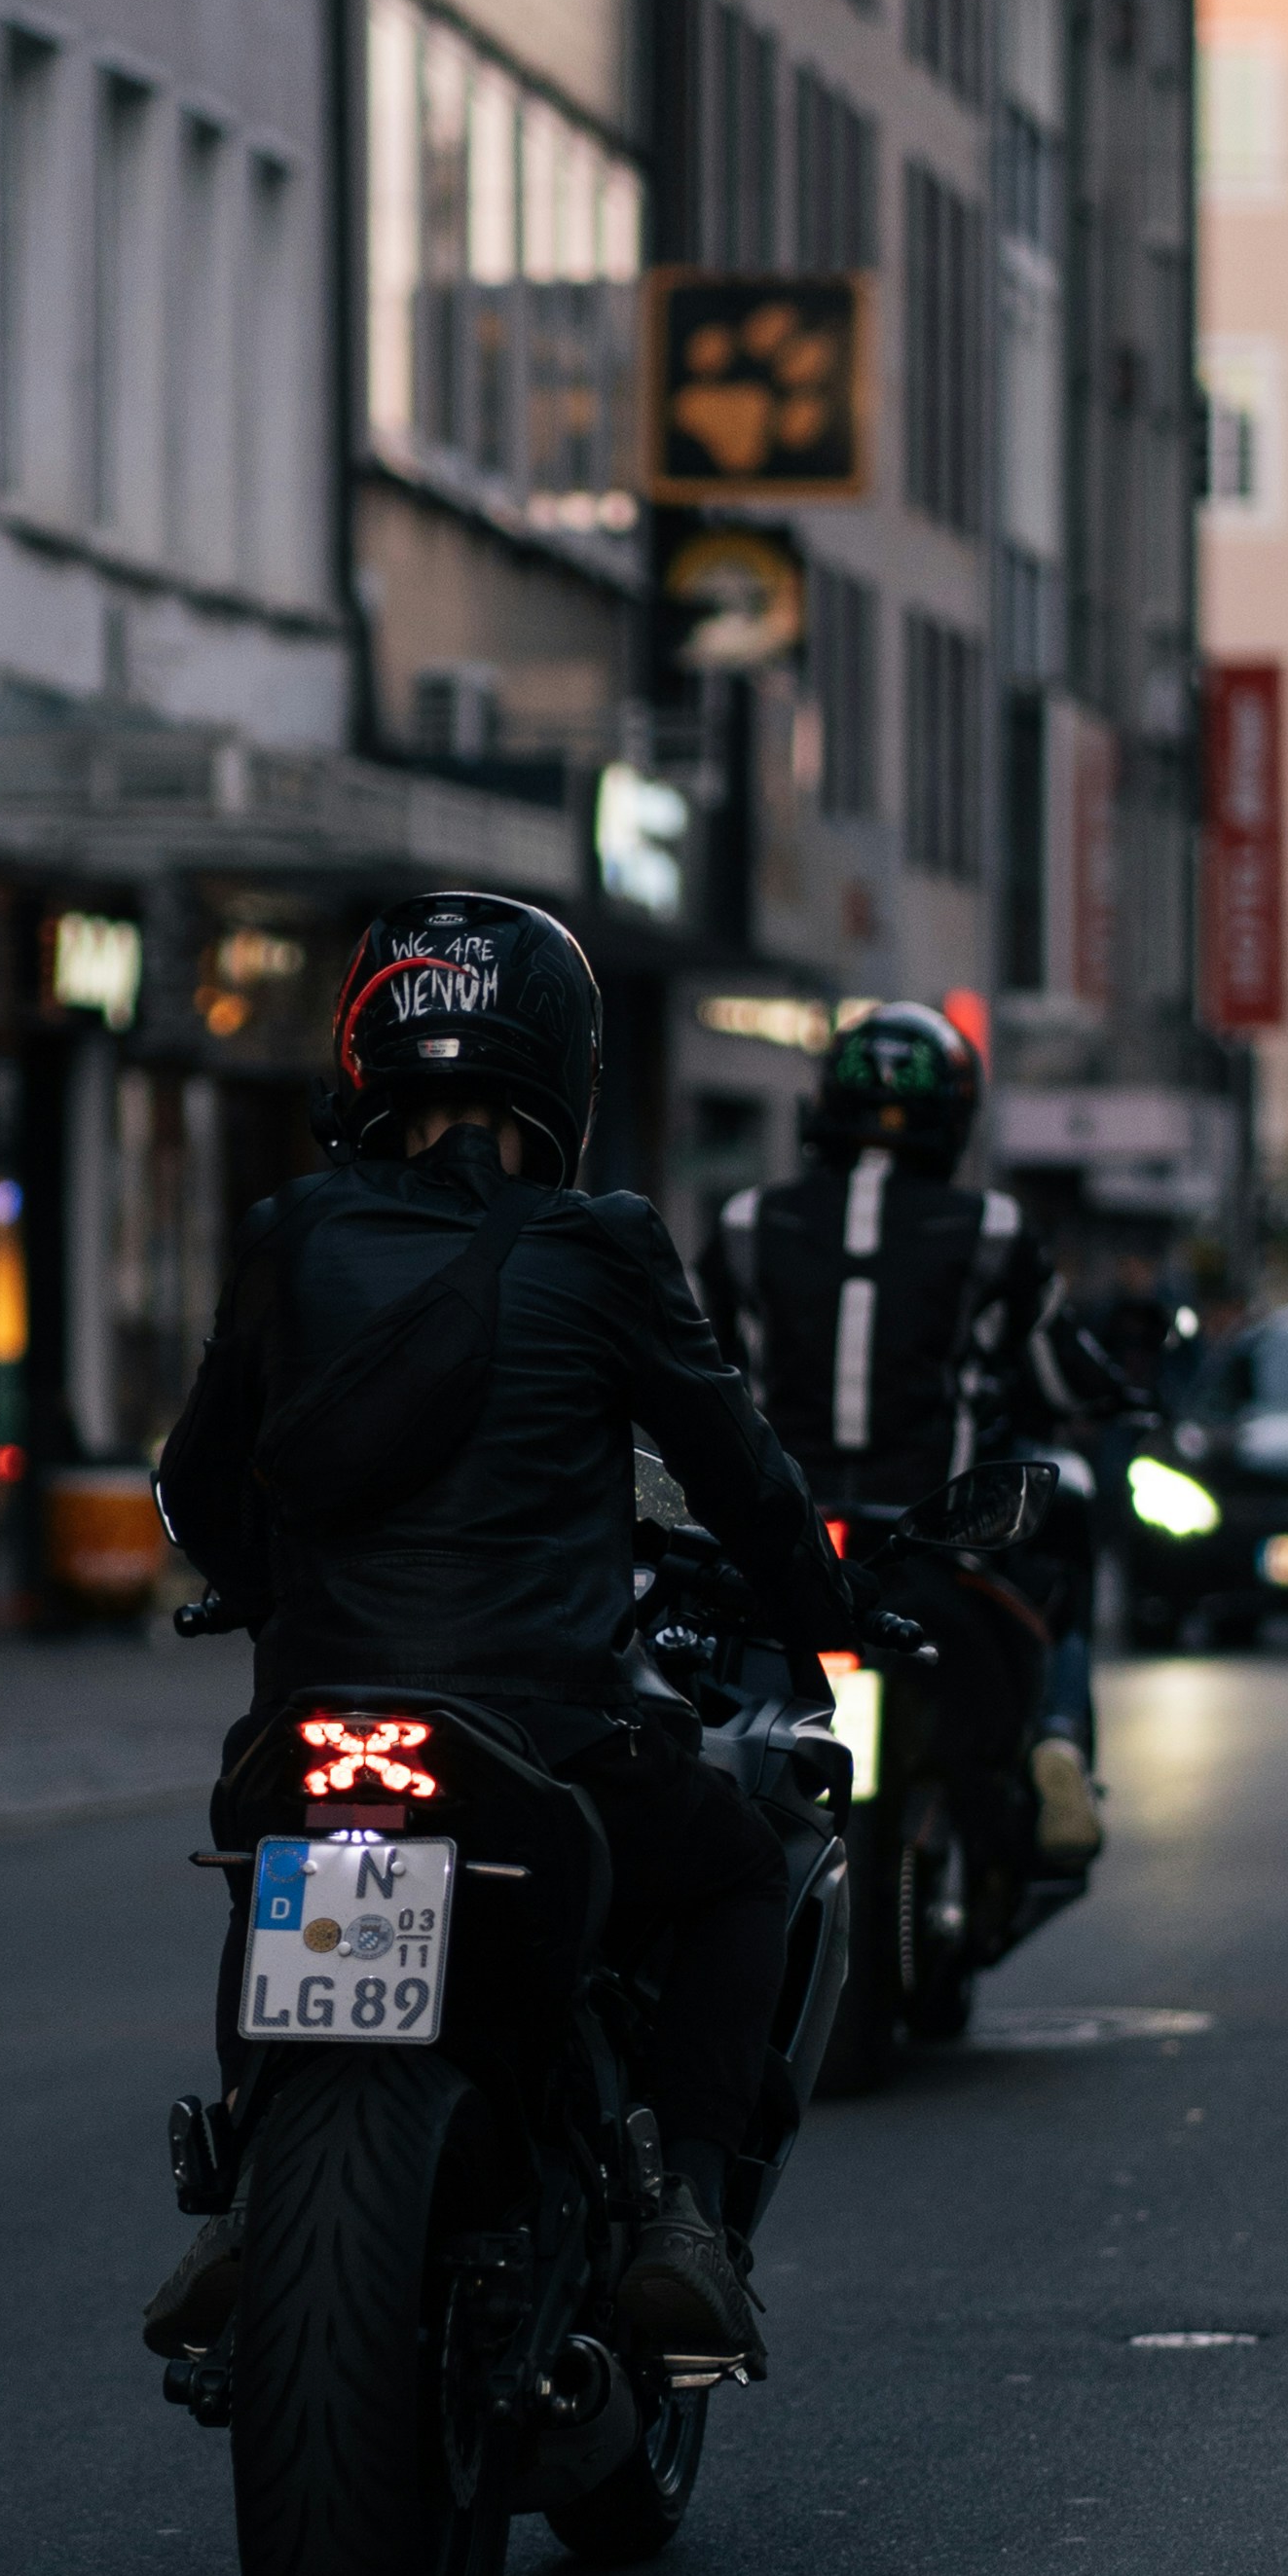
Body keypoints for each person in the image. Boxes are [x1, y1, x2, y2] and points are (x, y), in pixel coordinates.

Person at [153, 889, 862, 2370]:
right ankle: (674, 2214)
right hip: (545, 1740)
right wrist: (824, 1622)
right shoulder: (601, 1247)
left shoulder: (290, 1232)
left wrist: (281, 1598)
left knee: (290, 1838)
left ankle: (244, 2181)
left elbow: (197, 1483)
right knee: (738, 1866)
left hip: (318, 1723)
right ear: (567, 1067)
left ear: (365, 1049)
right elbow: (738, 1473)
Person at [698, 1001, 1131, 1866]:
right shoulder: (994, 1226)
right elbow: (1053, 1373)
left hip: (779, 1537)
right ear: (956, 1115)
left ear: (823, 1105)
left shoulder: (747, 1219)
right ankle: (1056, 1740)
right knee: (1072, 1503)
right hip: (936, 1538)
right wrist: (1122, 1390)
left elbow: (701, 1369)